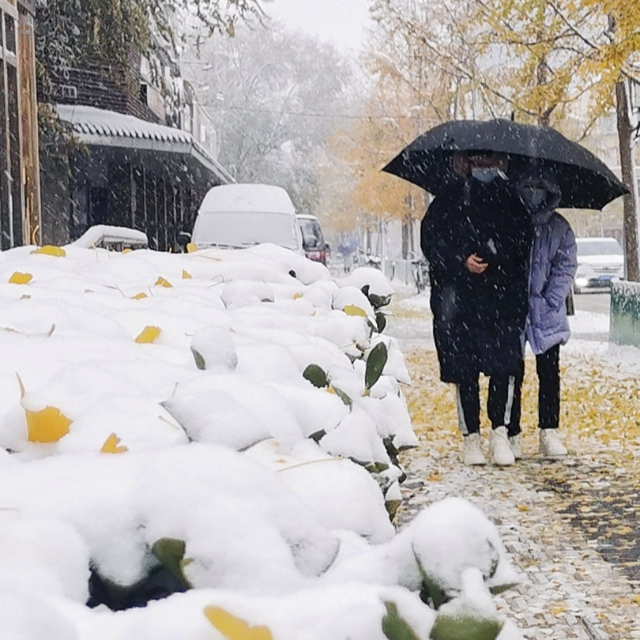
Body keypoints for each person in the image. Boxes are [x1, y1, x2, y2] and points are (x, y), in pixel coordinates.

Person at [421, 150, 532, 466]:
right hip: (460, 304)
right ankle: (471, 436)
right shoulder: (447, 200)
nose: (484, 167)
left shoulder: (512, 200)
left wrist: (492, 253)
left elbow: (521, 241)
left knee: (504, 368)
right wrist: (461, 258)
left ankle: (500, 432)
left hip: (501, 303)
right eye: (478, 161)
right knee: (464, 370)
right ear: (466, 163)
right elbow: (432, 242)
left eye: (491, 161)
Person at [500, 165, 578, 458]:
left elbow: (566, 264)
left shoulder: (559, 227)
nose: (533, 194)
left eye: (538, 188)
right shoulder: (509, 221)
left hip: (547, 311)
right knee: (512, 372)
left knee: (549, 372)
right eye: (527, 187)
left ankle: (549, 430)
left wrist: (551, 298)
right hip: (514, 307)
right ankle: (512, 431)